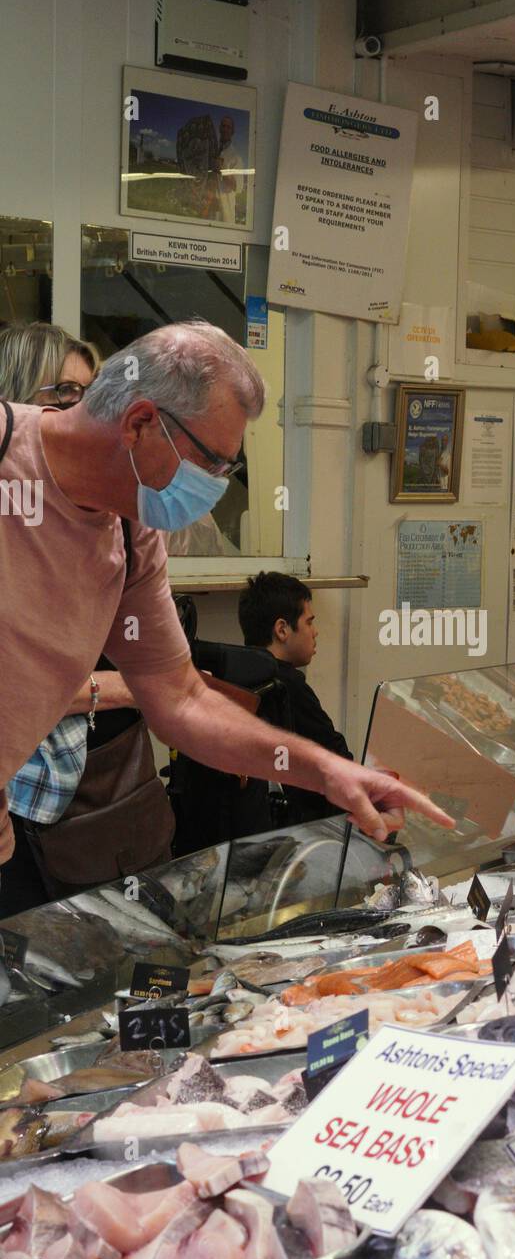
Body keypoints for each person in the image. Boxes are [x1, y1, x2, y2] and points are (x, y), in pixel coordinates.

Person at [0, 318, 452, 888]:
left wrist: (328, 771)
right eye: (211, 463)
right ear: (140, 423)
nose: (215, 484)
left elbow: (181, 699)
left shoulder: (130, 535)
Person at [0, 324, 155, 912]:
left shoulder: (108, 522)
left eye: (91, 395)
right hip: (21, 805)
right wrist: (113, 689)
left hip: (83, 802)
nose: (82, 411)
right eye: (63, 392)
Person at [239, 572, 354, 824]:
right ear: (282, 629)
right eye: (309, 622)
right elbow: (338, 761)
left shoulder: (236, 678)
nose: (316, 632)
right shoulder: (288, 687)